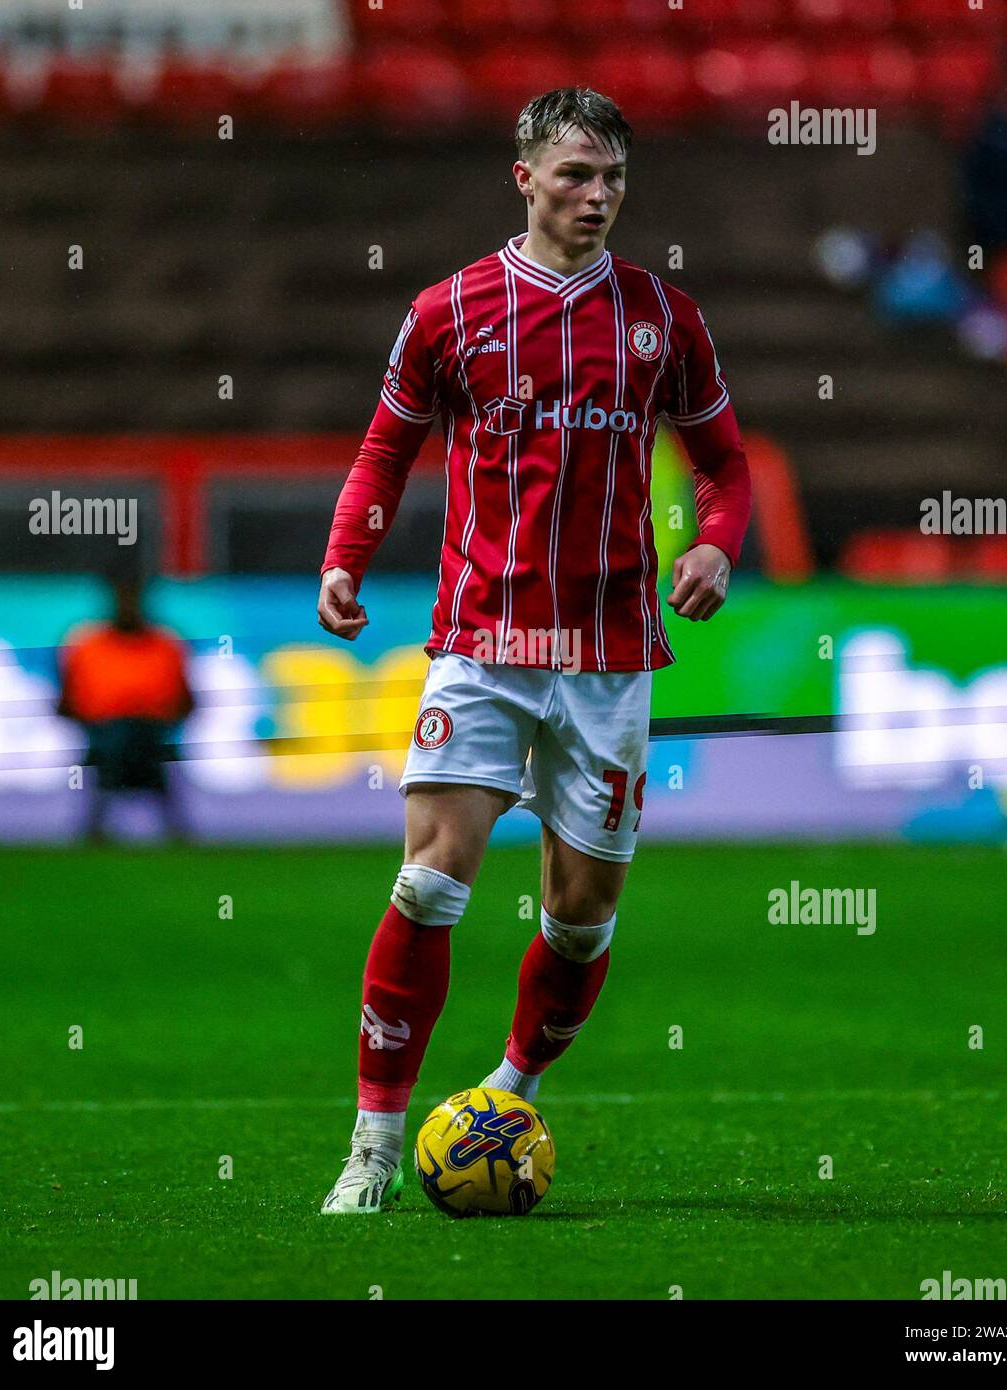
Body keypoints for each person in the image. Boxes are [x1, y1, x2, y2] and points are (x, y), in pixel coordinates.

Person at [316, 88, 751, 1213]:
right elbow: (384, 450)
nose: (596, 196)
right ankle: (372, 1143)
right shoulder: (449, 310)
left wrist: (712, 544)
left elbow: (723, 465)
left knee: (578, 915)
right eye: (573, 175)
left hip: (607, 658)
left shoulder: (662, 318)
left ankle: (505, 1093)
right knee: (427, 881)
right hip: (481, 646)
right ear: (523, 177)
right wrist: (344, 559)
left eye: (611, 177)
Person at [57, 574, 194, 843]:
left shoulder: (166, 646)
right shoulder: (88, 646)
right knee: (117, 742)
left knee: (140, 742)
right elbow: (66, 703)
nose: (128, 606)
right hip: (105, 736)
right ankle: (96, 830)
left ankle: (176, 834)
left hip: (152, 735)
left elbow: (186, 701)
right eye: (123, 599)